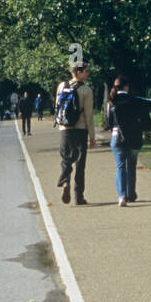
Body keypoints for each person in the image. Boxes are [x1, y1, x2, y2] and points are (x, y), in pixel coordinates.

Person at [108, 73, 151, 206]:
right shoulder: (135, 99)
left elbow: (110, 123)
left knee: (120, 166)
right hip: (134, 136)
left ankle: (121, 196)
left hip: (117, 136)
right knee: (131, 166)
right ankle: (131, 194)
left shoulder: (111, 102)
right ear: (126, 86)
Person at [55, 64, 95, 205]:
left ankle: (65, 181)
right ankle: (79, 196)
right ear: (79, 72)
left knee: (66, 157)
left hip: (64, 128)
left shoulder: (61, 86)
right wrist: (92, 136)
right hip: (80, 129)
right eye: (86, 71)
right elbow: (89, 115)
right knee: (80, 162)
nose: (88, 74)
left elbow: (57, 107)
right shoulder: (86, 90)